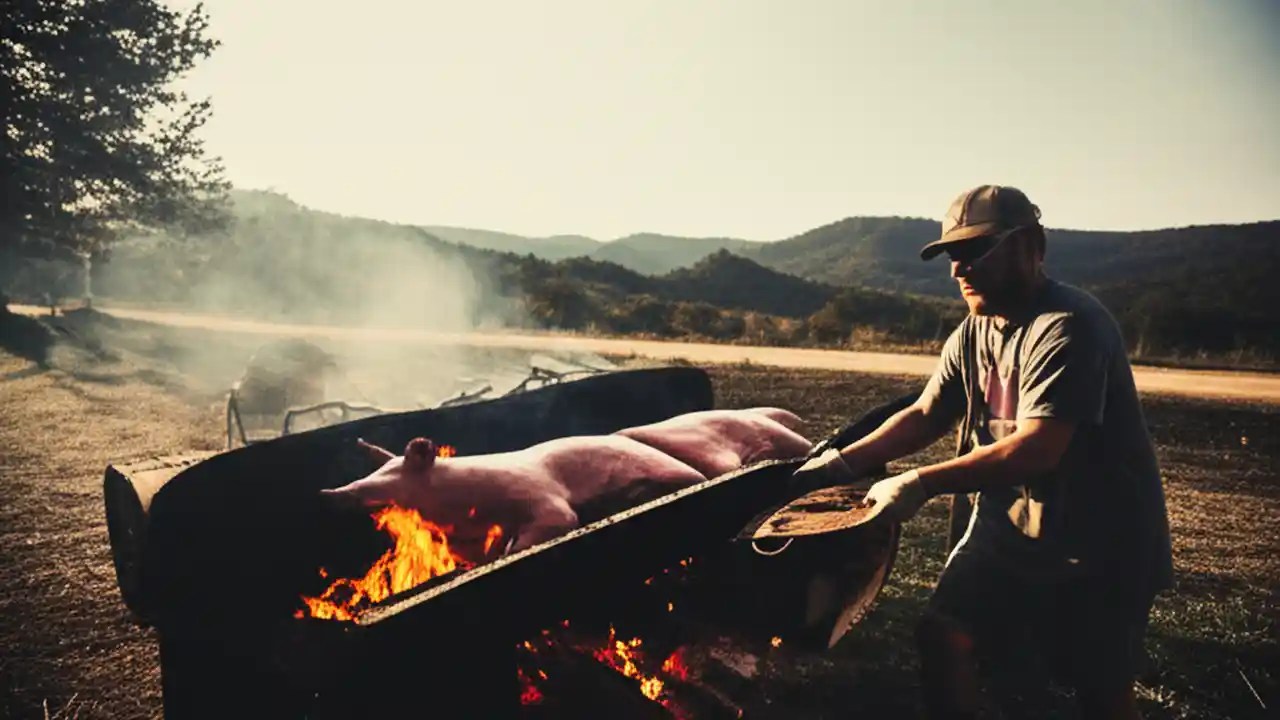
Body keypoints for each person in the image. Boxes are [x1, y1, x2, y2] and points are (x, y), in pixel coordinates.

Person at [793, 185, 1173, 719]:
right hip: (1009, 524)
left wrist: (921, 482)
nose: (958, 270)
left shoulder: (1067, 327)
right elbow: (926, 414)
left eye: (975, 252)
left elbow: (1039, 448)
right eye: (952, 255)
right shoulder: (972, 332)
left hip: (1099, 537)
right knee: (944, 635)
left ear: (1032, 245)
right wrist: (840, 463)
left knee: (1099, 688)